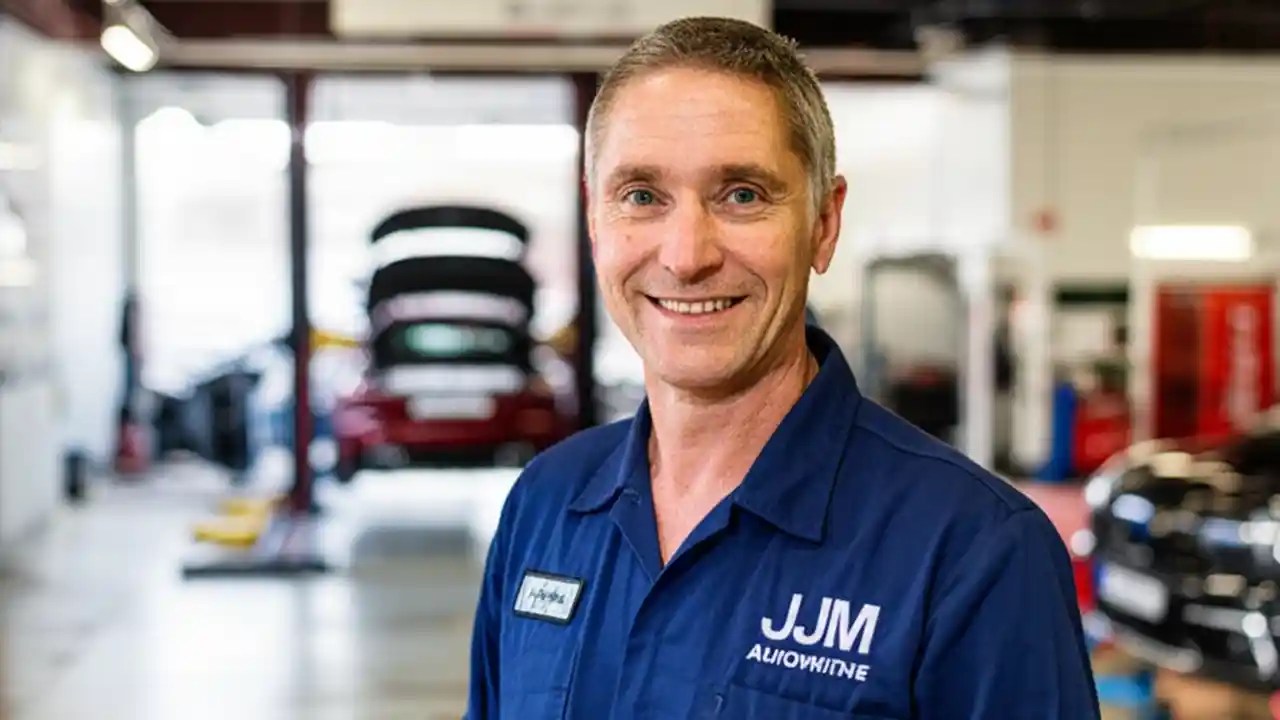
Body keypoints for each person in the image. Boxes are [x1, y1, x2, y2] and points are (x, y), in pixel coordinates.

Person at [465, 16, 1099, 719]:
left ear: (824, 224)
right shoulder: (547, 504)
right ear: (595, 221)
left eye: (741, 195)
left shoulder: (973, 553)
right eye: (642, 196)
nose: (685, 255)